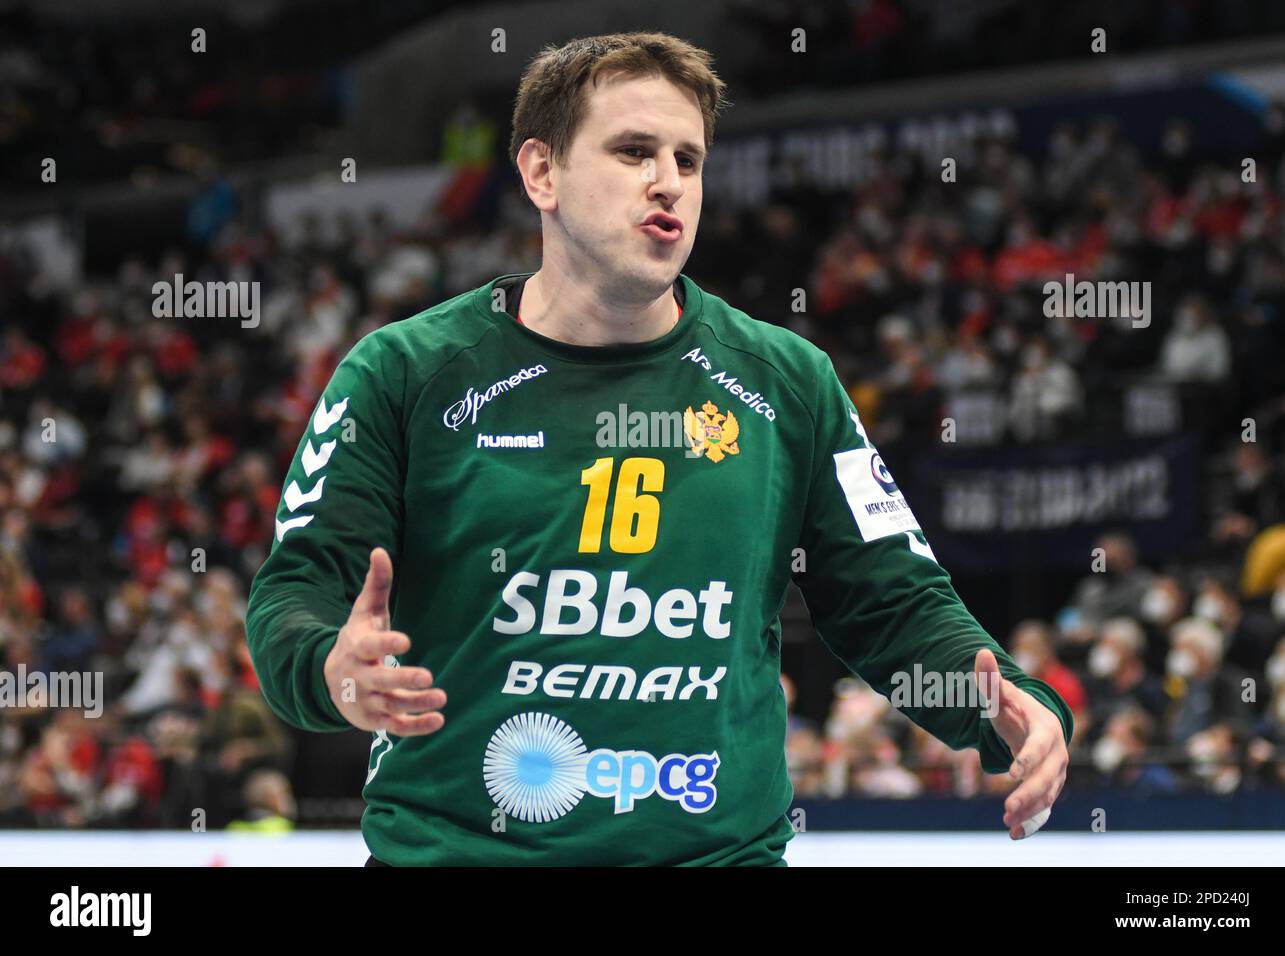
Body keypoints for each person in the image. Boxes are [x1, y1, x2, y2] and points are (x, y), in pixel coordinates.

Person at [245, 31, 1073, 867]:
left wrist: (1006, 701)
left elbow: (890, 599)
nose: (668, 180)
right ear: (541, 173)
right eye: (633, 150)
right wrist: (330, 671)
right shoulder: (402, 374)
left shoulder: (787, 383)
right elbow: (297, 593)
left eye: (689, 158)